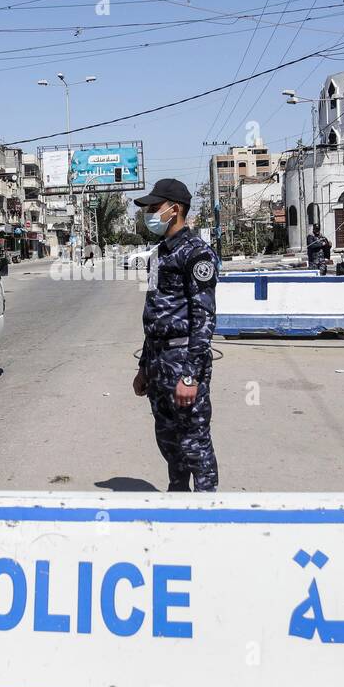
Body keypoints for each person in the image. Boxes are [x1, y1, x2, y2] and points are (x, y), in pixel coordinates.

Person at [131, 179, 219, 492]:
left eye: (154, 208)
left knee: (194, 443)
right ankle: (178, 500)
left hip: (183, 362)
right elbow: (153, 316)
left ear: (174, 209)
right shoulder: (157, 256)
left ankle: (208, 510)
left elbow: (204, 318)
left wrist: (191, 376)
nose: (149, 214)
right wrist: (143, 366)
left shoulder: (197, 254)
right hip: (158, 363)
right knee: (169, 442)